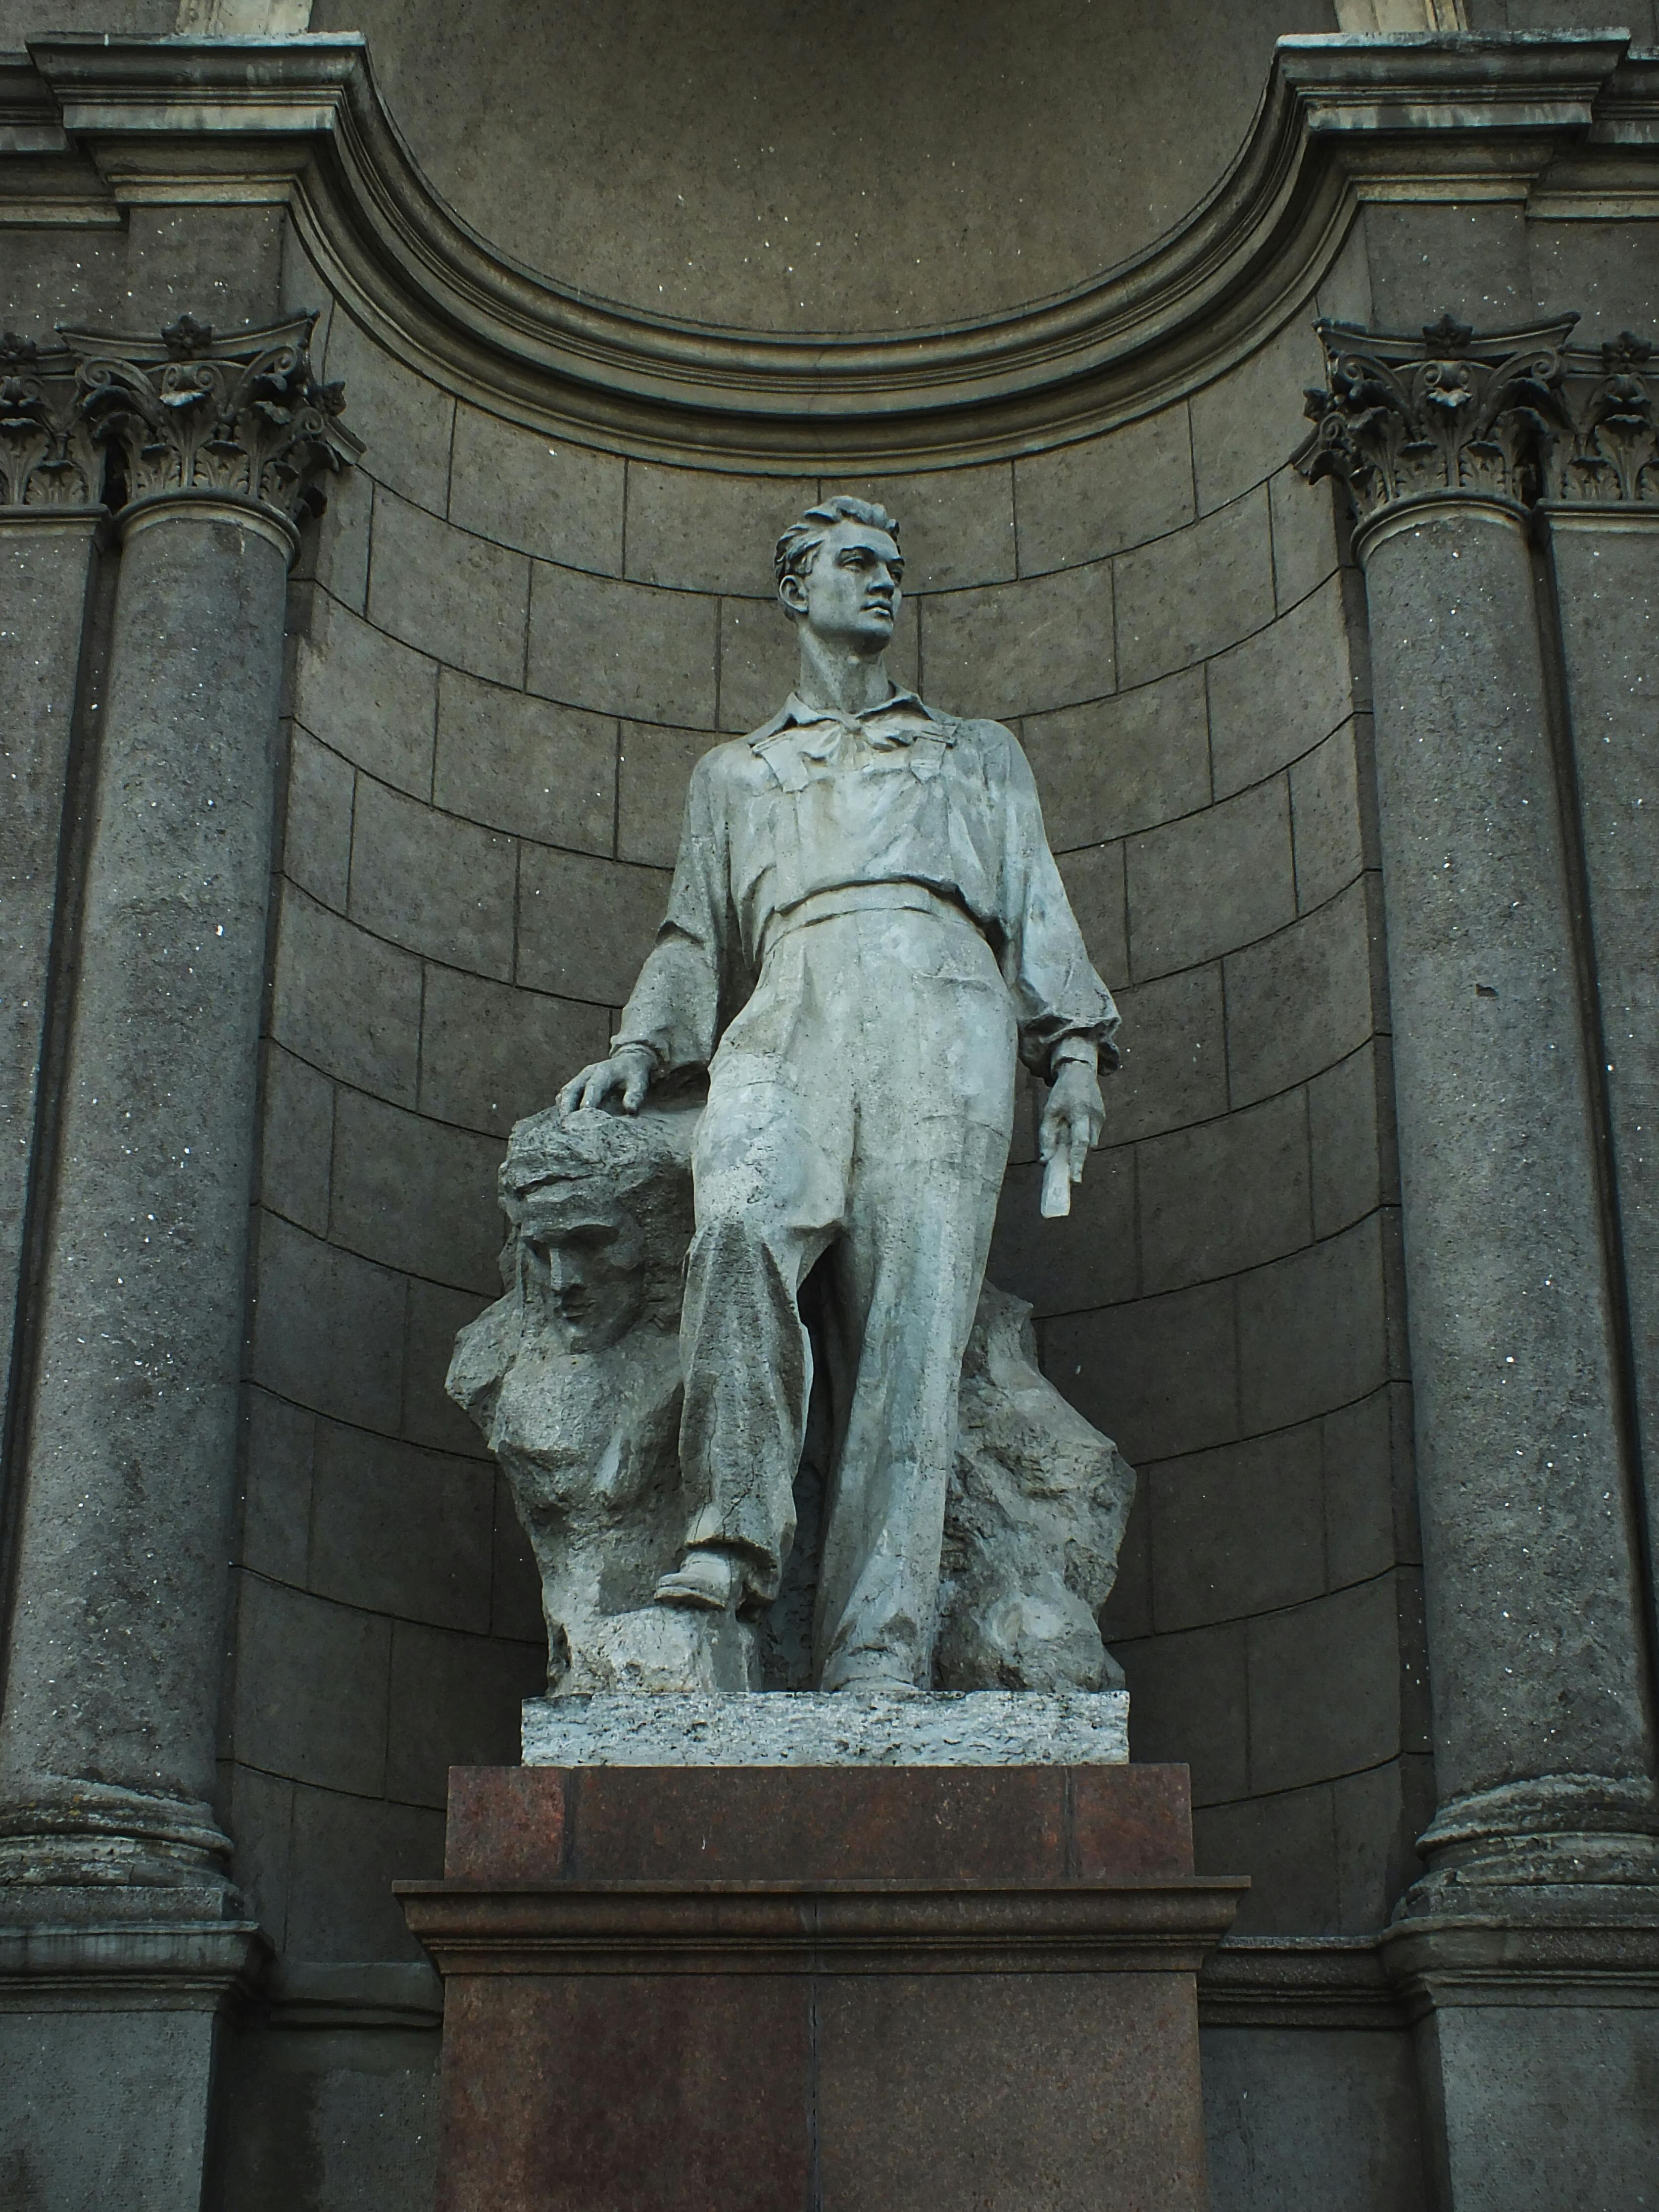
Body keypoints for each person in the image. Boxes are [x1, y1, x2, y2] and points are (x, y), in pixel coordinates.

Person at [557, 495, 1118, 1691]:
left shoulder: (975, 750)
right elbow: (692, 936)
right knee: (741, 1227)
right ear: (793, 589)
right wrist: (643, 1047)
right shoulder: (736, 773)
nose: (882, 584)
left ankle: (880, 1647)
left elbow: (1034, 900)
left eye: (892, 568)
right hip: (792, 998)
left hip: (945, 998)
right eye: (855, 563)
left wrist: (1069, 1047)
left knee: (913, 1329)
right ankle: (726, 1540)